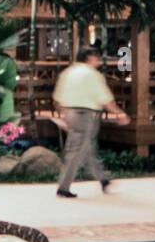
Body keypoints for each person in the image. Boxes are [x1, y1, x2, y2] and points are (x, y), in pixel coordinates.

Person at [52, 46, 129, 198]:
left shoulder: (68, 73)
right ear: (89, 58)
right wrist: (119, 113)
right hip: (84, 114)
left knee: (86, 147)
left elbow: (57, 98)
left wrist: (64, 116)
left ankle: (103, 179)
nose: (98, 61)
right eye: (96, 57)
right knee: (77, 151)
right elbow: (105, 98)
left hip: (69, 112)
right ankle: (63, 187)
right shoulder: (92, 75)